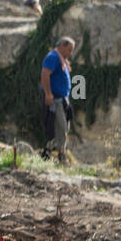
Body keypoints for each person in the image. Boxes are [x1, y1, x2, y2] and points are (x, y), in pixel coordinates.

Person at [40, 36, 76, 164]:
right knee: (60, 126)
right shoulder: (53, 57)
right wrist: (48, 94)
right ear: (61, 46)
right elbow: (45, 74)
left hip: (62, 98)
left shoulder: (61, 59)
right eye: (69, 50)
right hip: (55, 98)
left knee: (64, 125)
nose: (70, 53)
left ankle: (49, 151)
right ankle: (60, 155)